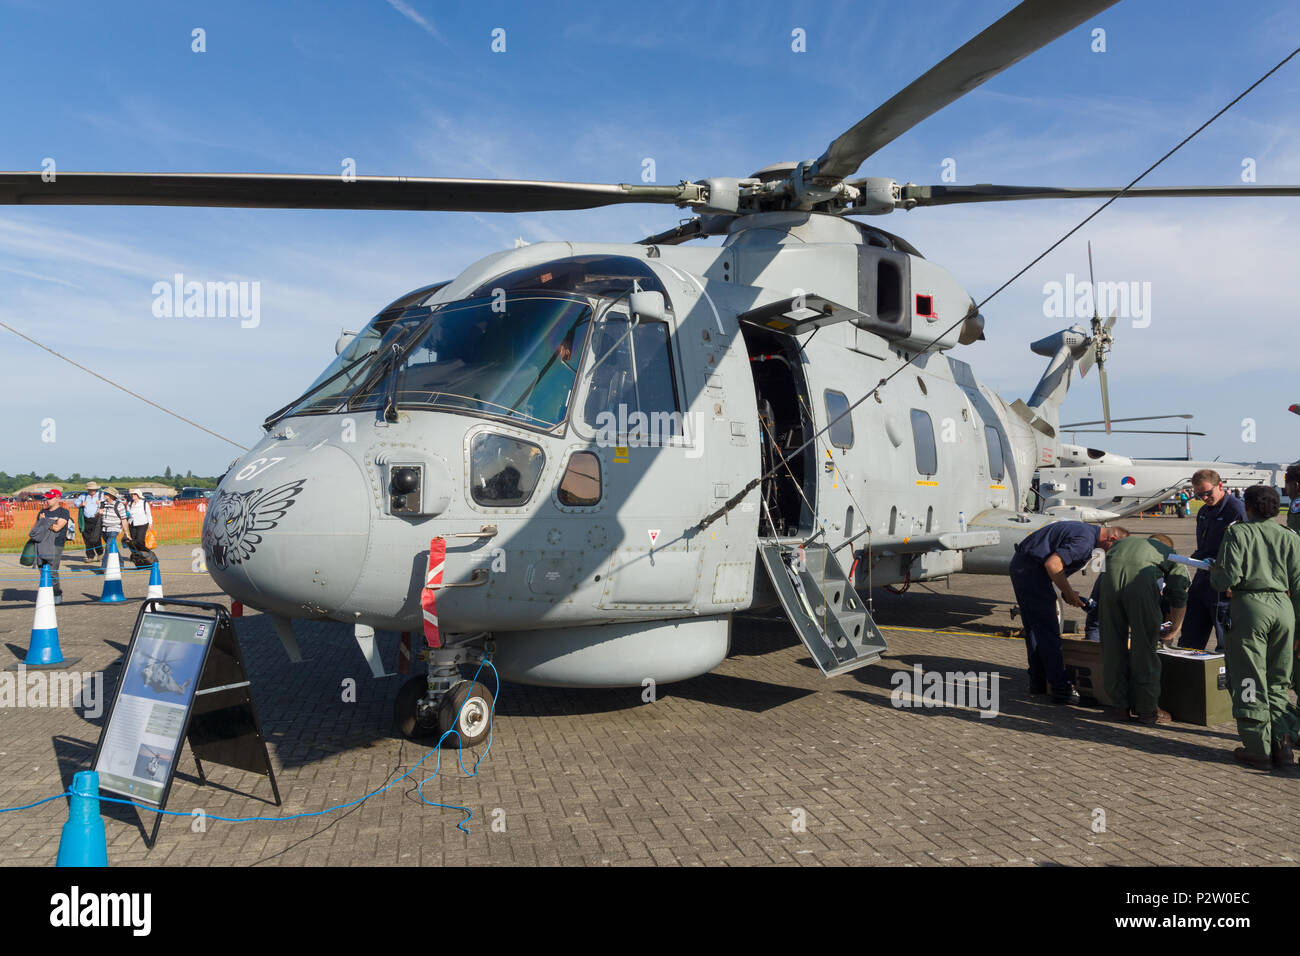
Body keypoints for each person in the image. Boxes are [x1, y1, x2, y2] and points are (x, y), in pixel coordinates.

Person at [1209, 485, 1300, 770]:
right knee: (1278, 680)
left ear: (1248, 506)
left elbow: (1227, 578)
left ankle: (1257, 747)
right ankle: (1283, 744)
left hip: (1250, 607)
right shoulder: (1290, 536)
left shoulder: (1238, 533)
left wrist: (1216, 573)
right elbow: (1298, 584)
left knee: (1248, 677)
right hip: (1284, 610)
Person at [1010, 521, 1130, 704]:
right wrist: (1066, 591)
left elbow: (1054, 565)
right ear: (1112, 539)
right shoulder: (1085, 541)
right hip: (1031, 572)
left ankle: (1039, 682)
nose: (1112, 554)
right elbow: (1053, 564)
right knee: (1048, 630)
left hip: (1025, 568)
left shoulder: (1086, 532)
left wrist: (1069, 592)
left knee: (1035, 629)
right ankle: (1061, 689)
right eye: (1115, 549)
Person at [1097, 533, 1189, 724]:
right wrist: (1175, 627)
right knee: (1144, 648)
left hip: (1108, 586)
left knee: (1112, 647)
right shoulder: (1169, 554)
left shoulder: (1122, 544)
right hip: (1139, 590)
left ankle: (1120, 707)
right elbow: (1179, 592)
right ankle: (1148, 710)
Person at [1179, 469, 1245, 652]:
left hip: (1224, 584)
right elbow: (1203, 547)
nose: (1204, 498)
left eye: (1207, 493)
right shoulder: (1203, 512)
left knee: (1226, 640)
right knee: (1189, 637)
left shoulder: (1236, 510)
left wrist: (1233, 582)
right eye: (1199, 495)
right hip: (1202, 579)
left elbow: (1245, 550)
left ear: (1220, 486)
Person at [30, 490, 73, 604]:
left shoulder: (63, 512)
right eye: (47, 498)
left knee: (52, 570)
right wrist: (46, 523)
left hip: (56, 544)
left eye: (50, 498)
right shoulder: (42, 512)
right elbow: (37, 528)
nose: (47, 500)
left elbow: (57, 527)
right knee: (42, 569)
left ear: (58, 498)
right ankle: (46, 593)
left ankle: (56, 593)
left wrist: (44, 521)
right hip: (42, 543)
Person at [76, 481, 105, 560]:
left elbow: (105, 504)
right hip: (86, 520)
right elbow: (76, 503)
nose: (92, 491)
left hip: (97, 519)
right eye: (90, 489)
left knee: (96, 538)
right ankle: (90, 556)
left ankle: (100, 553)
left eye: (94, 489)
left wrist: (100, 504)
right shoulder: (83, 496)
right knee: (87, 538)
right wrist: (81, 504)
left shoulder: (101, 496)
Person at [98, 488, 127, 560]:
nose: (104, 495)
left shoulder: (119, 505)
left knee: (108, 548)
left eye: (105, 494)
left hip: (114, 529)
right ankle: (120, 563)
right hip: (104, 529)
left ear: (111, 495)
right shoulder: (102, 504)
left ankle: (104, 567)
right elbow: (97, 515)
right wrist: (98, 513)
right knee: (112, 547)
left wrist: (127, 533)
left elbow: (123, 519)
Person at [125, 489, 153, 553]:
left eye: (134, 494)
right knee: (133, 541)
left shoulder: (144, 503)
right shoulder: (129, 503)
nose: (133, 495)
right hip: (132, 524)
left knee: (140, 540)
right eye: (132, 494)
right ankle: (136, 555)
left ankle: (146, 553)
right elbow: (128, 514)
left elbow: (149, 514)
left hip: (142, 524)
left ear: (138, 495)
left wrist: (150, 524)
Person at [1285, 463, 1300, 534]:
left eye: (1286, 485)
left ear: (1295, 485)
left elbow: (1295, 533)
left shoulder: (1297, 503)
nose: (1285, 489)